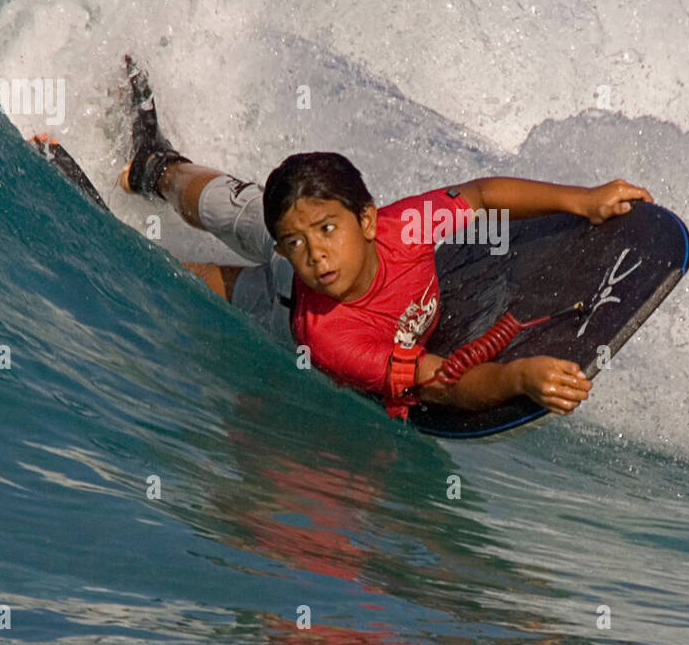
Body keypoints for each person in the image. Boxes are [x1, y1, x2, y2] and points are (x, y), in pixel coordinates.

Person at [117, 56, 652, 420]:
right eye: (300, 240)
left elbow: (484, 195)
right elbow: (442, 381)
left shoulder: (406, 228)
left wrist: (580, 198)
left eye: (329, 230)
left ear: (368, 221)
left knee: (229, 282)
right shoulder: (332, 339)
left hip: (281, 282)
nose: (317, 252)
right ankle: (157, 167)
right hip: (293, 304)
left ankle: (161, 198)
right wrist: (517, 378)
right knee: (236, 207)